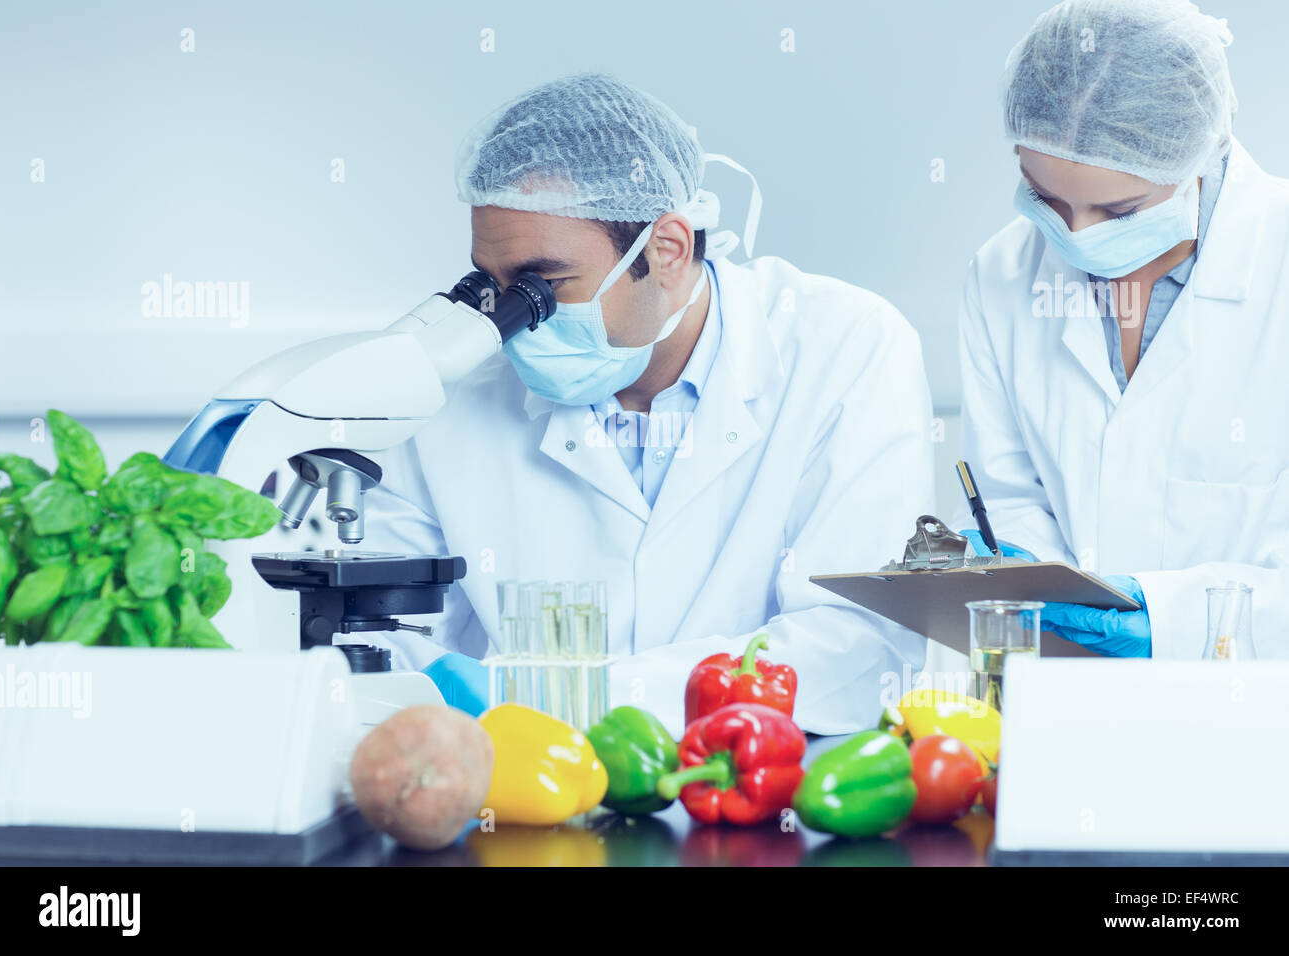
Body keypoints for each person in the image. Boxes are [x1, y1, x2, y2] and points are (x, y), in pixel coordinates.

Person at [365, 73, 936, 733]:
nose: (514, 320)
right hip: (538, 795)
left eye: (544, 286)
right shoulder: (457, 391)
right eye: (493, 286)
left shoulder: (845, 347)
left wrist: (567, 702)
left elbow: (857, 648)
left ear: (666, 249)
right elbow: (390, 642)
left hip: (766, 795)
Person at [958, 0, 1288, 658]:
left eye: (1121, 209)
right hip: (1067, 695)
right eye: (1044, 198)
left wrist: (1175, 620)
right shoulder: (1001, 275)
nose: (1077, 238)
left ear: (1200, 151)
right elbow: (1013, 503)